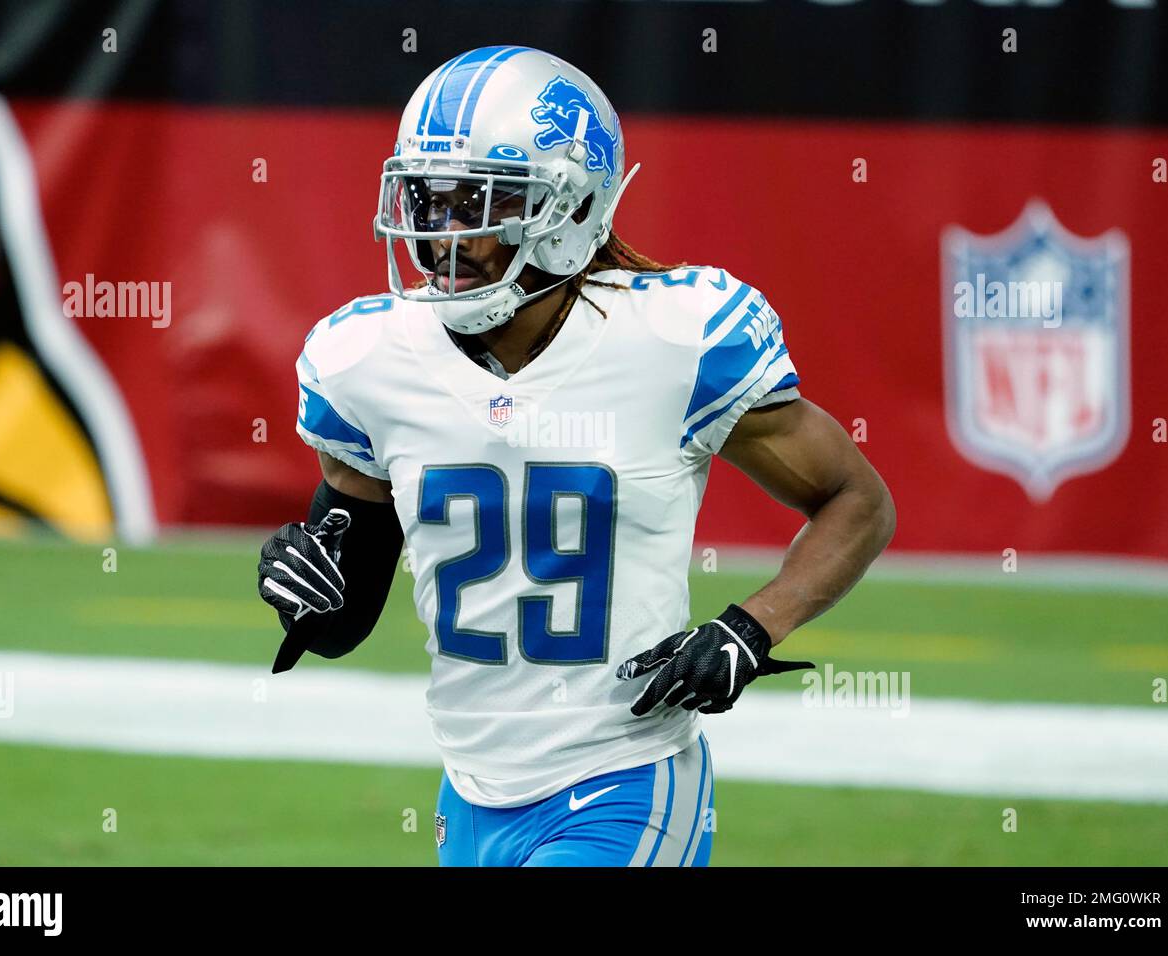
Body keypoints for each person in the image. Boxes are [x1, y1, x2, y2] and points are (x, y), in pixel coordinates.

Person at [258, 45, 895, 866]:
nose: (443, 236)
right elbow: (342, 623)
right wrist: (300, 587)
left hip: (625, 778)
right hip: (471, 793)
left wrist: (751, 628)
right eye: (428, 200)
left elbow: (857, 499)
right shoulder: (370, 360)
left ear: (569, 208)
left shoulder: (674, 340)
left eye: (477, 205)